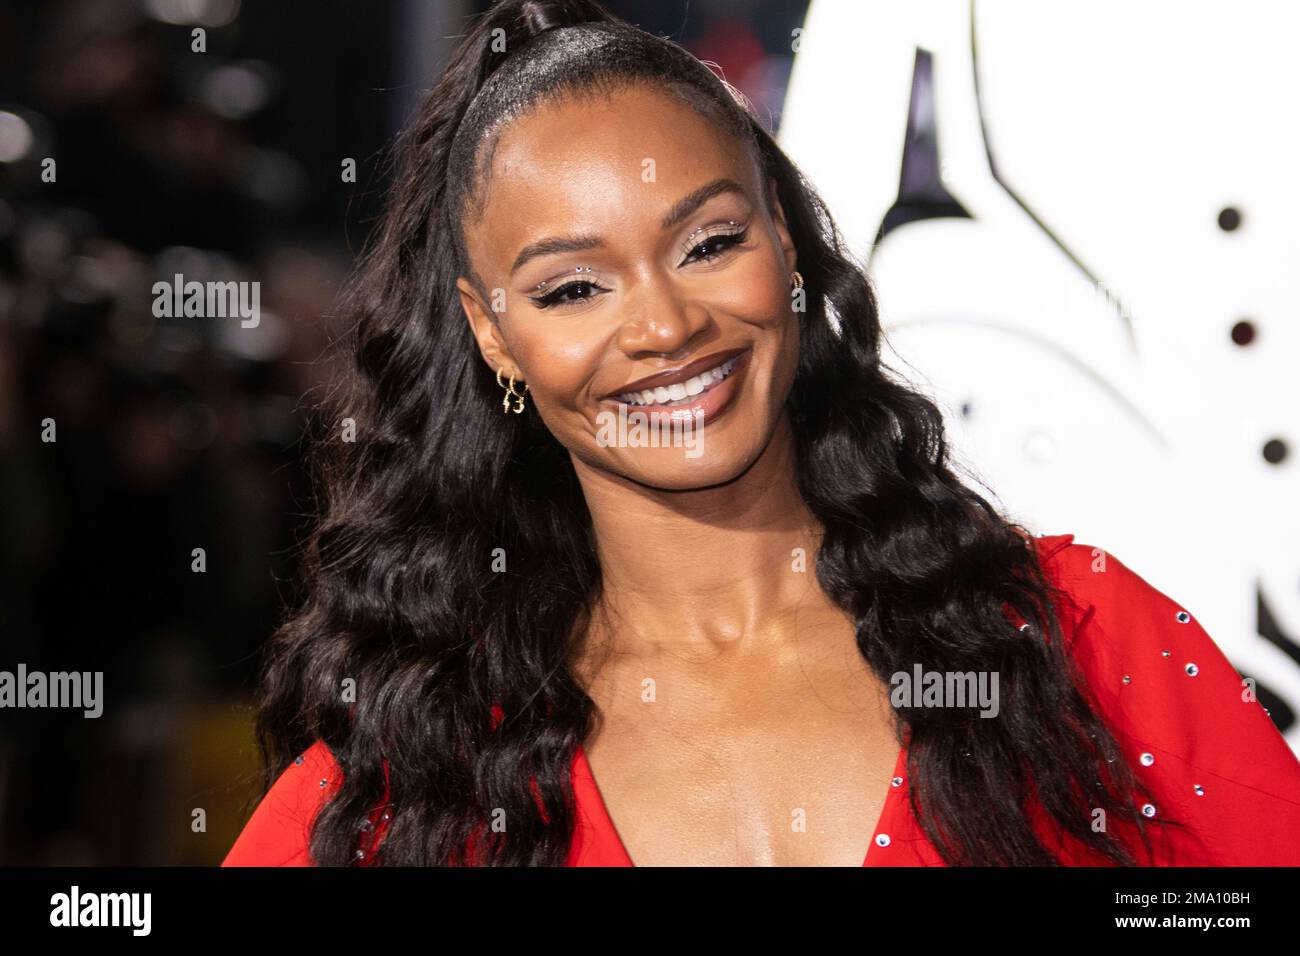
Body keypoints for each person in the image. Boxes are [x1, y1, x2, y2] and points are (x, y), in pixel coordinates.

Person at [223, 0, 1300, 867]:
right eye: (573, 287)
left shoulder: (1084, 643)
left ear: (782, 240)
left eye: (708, 242)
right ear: (491, 334)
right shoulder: (404, 783)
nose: (664, 325)